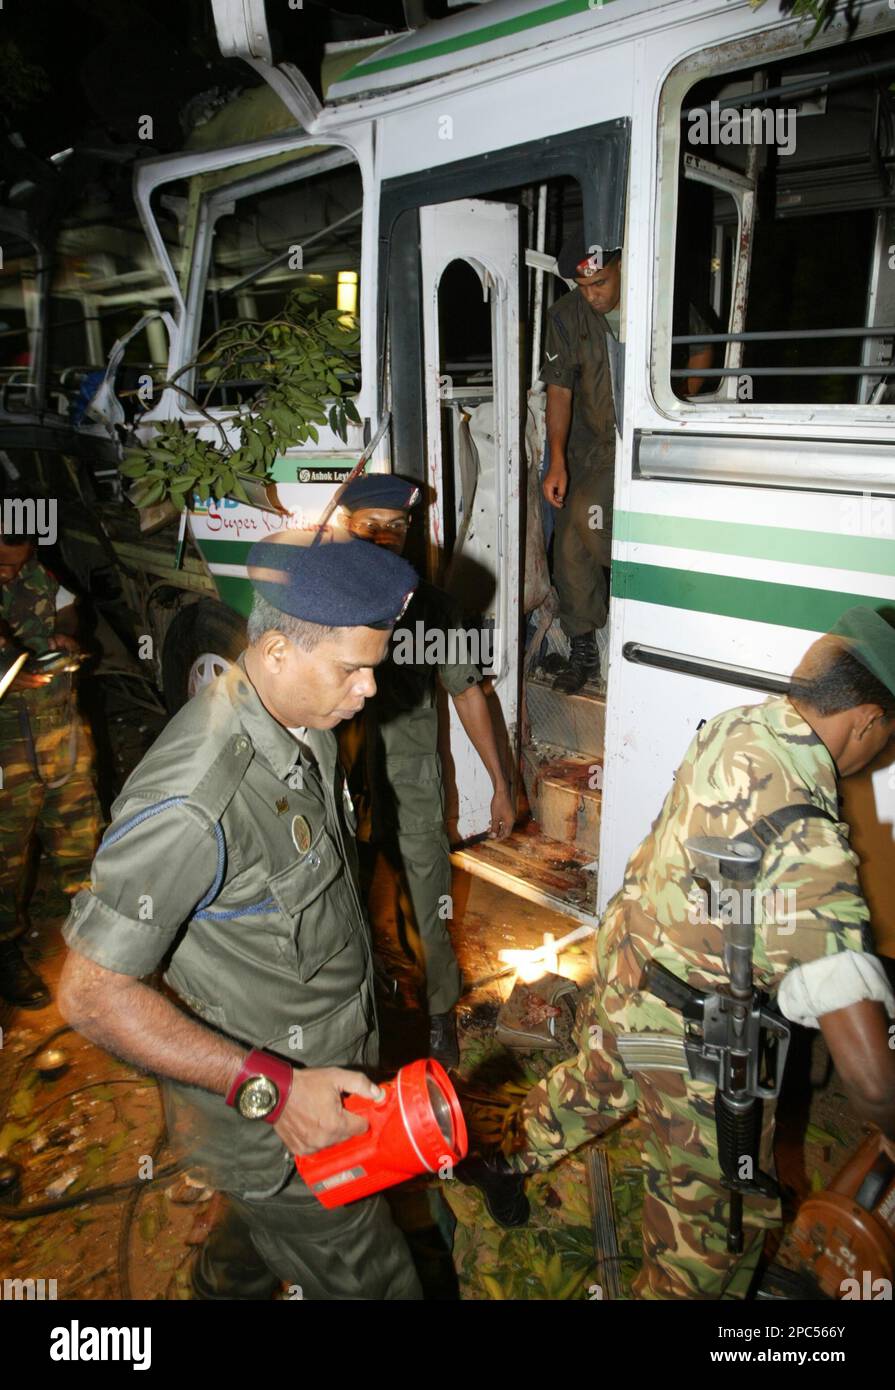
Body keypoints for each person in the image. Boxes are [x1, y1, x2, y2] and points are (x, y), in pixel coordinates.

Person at [468, 606, 895, 1299]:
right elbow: (871, 1076)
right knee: (708, 1240)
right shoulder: (807, 838)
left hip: (628, 959)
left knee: (597, 1081)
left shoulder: (740, 726)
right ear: (867, 720)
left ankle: (500, 1160)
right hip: (690, 1036)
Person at [57, 533, 424, 1301]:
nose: (366, 690)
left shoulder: (297, 722)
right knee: (377, 1280)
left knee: (252, 1240)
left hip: (325, 1064)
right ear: (281, 650)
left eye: (372, 668)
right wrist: (274, 1089)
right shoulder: (195, 801)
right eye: (351, 669)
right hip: (277, 1119)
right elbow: (91, 994)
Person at [338, 474, 515, 1068]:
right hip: (333, 782)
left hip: (409, 783)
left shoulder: (433, 609)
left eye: (399, 528)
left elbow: (468, 695)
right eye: (373, 527)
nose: (386, 539)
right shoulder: (323, 595)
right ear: (347, 527)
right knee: (336, 904)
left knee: (428, 902)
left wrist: (500, 785)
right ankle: (354, 1009)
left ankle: (439, 1018)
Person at [540, 242, 714, 693]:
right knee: (567, 544)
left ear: (621, 266)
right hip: (589, 444)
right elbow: (558, 390)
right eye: (584, 286)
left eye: (600, 282)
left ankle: (653, 599)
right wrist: (556, 460)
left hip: (641, 437)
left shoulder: (656, 296)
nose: (592, 294)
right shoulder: (565, 315)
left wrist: (679, 411)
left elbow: (702, 346)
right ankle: (584, 647)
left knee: (587, 514)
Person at [0, 518, 101, 1008]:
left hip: (60, 736)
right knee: (4, 856)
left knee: (83, 836)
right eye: (3, 562)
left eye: (20, 560)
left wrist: (65, 637)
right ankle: (5, 953)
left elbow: (66, 608)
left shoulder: (36, 571)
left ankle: (101, 942)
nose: (11, 572)